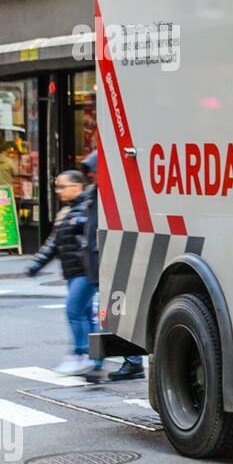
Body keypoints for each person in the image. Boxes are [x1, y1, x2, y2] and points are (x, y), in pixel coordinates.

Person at [26, 171, 102, 381]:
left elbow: (92, 238)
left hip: (85, 271)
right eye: (57, 187)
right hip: (73, 271)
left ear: (77, 186)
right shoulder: (68, 211)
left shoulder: (87, 207)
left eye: (62, 186)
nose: (58, 191)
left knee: (74, 310)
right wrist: (36, 264)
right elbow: (53, 243)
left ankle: (81, 354)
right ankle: (94, 359)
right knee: (86, 313)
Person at [80, 152, 144, 382]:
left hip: (114, 261)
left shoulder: (113, 193)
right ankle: (130, 361)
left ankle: (133, 362)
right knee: (114, 313)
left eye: (94, 170)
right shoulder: (96, 193)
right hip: (102, 262)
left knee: (118, 313)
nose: (91, 175)